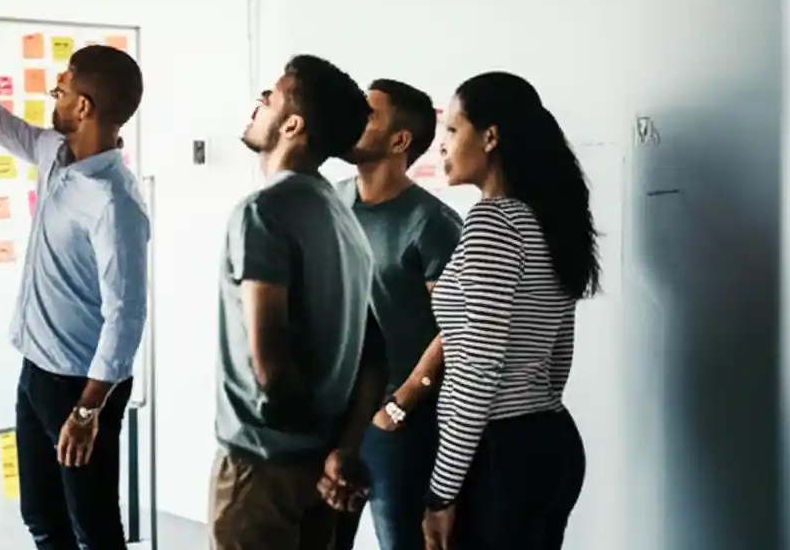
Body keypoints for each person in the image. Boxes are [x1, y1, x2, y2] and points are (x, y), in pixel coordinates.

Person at [0, 13, 149, 550]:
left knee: (94, 528)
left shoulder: (115, 203)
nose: (55, 95)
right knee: (42, 518)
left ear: (84, 106)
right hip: (37, 374)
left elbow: (127, 316)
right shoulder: (54, 153)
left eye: (62, 88)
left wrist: (88, 410)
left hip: (82, 387)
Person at [211, 54, 387, 550]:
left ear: (292, 123)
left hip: (260, 471)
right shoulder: (343, 216)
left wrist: (305, 448)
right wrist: (339, 450)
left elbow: (270, 366)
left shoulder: (262, 212)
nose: (259, 102)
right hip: (321, 472)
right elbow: (375, 355)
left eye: (270, 95)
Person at [421, 72, 595, 550]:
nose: (442, 146)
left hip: (500, 456)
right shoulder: (550, 221)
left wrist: (441, 492)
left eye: (452, 131)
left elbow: (475, 370)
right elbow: (559, 351)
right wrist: (532, 414)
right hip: (552, 440)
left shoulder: (492, 223)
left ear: (490, 136)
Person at [332, 80, 462, 550]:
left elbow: (456, 325)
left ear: (399, 141)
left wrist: (399, 405)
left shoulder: (434, 224)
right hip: (336, 416)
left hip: (398, 425)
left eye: (368, 115)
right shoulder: (331, 201)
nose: (353, 121)